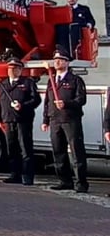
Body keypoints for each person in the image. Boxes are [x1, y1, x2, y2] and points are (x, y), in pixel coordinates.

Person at [42, 50, 88, 193]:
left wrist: (66, 103)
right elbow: (47, 102)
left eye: (61, 59)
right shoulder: (51, 80)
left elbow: (81, 99)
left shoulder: (75, 80)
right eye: (55, 59)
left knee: (76, 151)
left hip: (70, 120)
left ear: (67, 62)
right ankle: (65, 180)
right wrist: (45, 119)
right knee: (58, 151)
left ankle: (81, 183)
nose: (57, 62)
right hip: (55, 119)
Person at [0, 58, 40, 185]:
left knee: (25, 148)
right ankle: (15, 174)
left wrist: (23, 105)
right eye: (10, 68)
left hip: (23, 120)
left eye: (15, 68)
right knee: (11, 149)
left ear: (20, 70)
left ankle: (27, 176)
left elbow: (36, 100)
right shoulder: (3, 84)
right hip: (8, 120)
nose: (12, 70)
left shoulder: (28, 83)